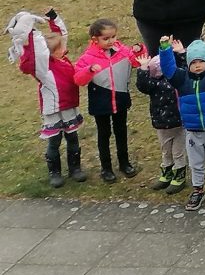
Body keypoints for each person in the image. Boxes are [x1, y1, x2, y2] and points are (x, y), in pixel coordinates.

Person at [161, 34, 205, 212]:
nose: (197, 65)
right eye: (193, 62)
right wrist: (165, 50)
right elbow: (168, 69)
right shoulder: (182, 79)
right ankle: (198, 190)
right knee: (195, 163)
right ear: (188, 64)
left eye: (201, 61)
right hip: (192, 130)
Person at [12, 12, 85, 188]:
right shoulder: (43, 69)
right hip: (53, 110)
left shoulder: (63, 59)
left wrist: (54, 18)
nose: (64, 49)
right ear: (49, 53)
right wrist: (29, 36)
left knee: (73, 137)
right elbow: (28, 62)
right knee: (55, 141)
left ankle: (75, 168)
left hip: (69, 107)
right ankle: (55, 172)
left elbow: (62, 35)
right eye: (59, 49)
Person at [72, 18, 140, 182]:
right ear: (95, 39)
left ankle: (124, 163)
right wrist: (89, 71)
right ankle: (106, 168)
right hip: (100, 103)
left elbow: (136, 62)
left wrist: (139, 50)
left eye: (113, 37)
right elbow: (78, 79)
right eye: (106, 38)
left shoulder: (122, 51)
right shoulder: (88, 58)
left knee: (121, 132)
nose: (111, 41)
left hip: (120, 100)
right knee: (104, 134)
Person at [134, 43, 186, 194]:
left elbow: (185, 69)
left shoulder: (176, 80)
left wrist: (181, 53)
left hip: (178, 123)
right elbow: (142, 85)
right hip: (161, 124)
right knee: (166, 150)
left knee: (178, 151)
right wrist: (143, 68)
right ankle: (167, 173)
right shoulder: (154, 84)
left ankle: (179, 176)